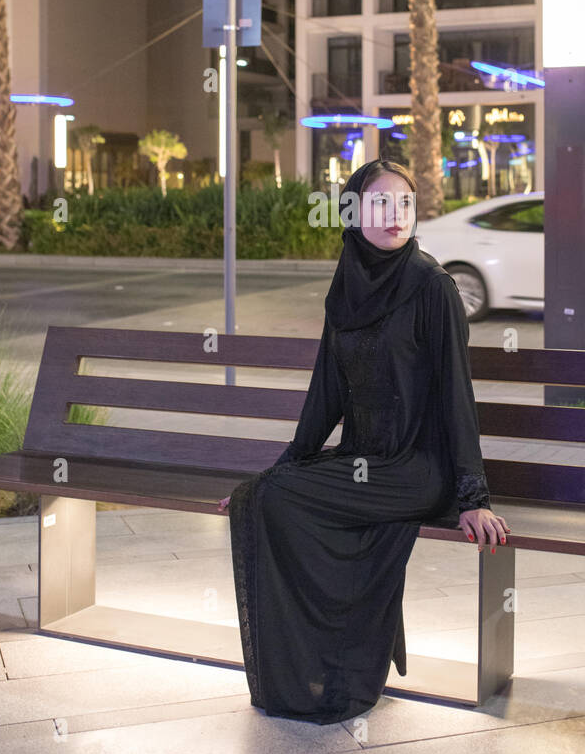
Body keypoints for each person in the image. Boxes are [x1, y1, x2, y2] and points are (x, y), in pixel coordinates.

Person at [217, 158, 510, 725]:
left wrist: (473, 497)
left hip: (417, 469)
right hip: (363, 463)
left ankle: (344, 666)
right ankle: (320, 664)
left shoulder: (433, 286)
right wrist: (276, 474)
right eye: (379, 203)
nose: (394, 216)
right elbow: (325, 394)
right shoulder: (347, 285)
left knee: (277, 500)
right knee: (267, 501)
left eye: (404, 203)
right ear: (352, 213)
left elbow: (457, 394)